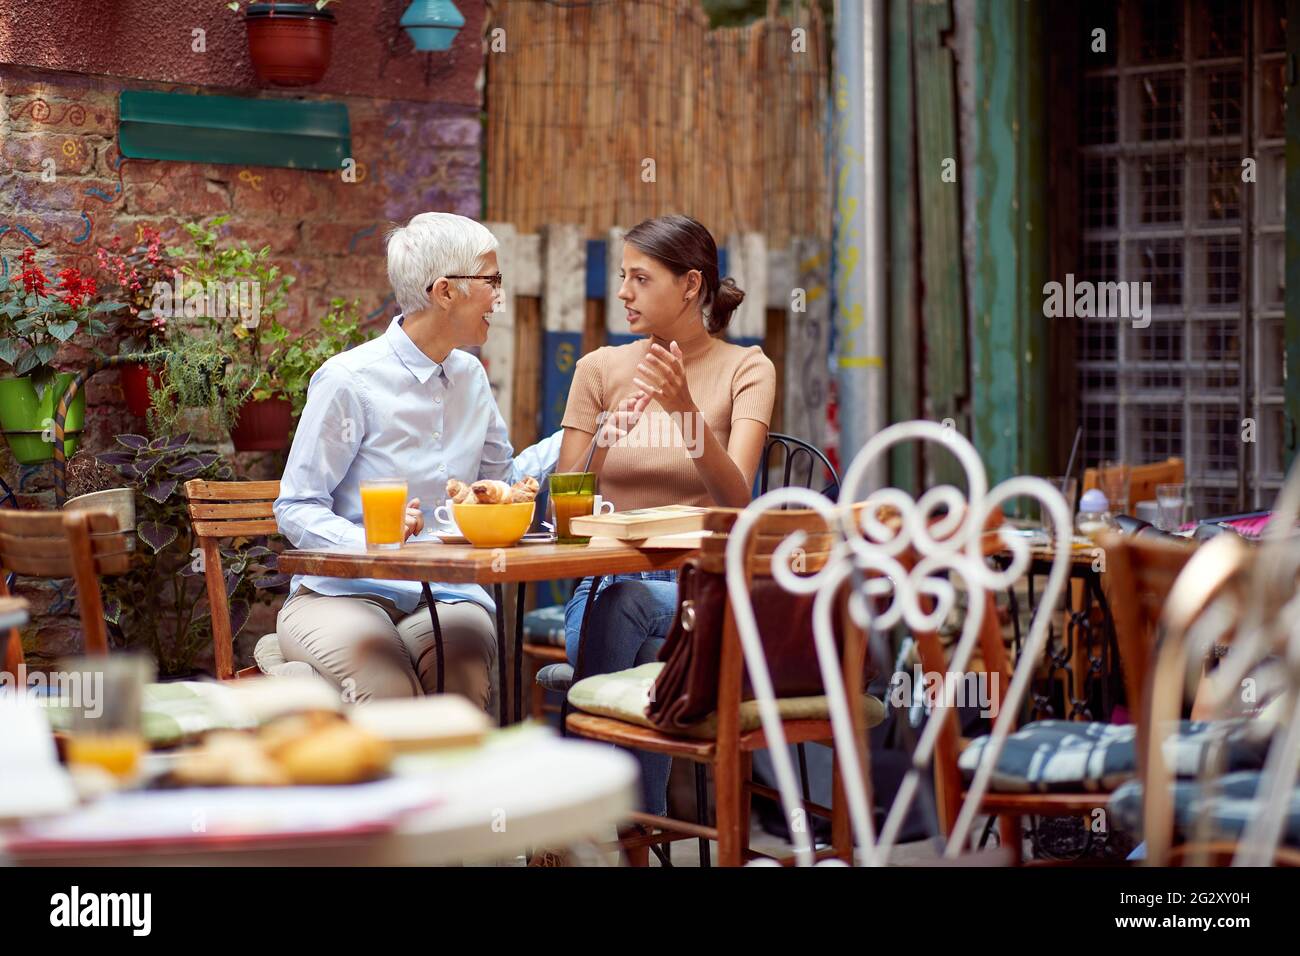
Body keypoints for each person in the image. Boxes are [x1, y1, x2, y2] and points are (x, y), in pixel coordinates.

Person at [274, 212, 561, 712]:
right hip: (341, 595)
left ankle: (462, 793)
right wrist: (370, 540)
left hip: (447, 594)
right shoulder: (348, 380)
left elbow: (501, 484)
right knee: (391, 697)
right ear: (445, 291)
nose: (499, 296)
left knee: (462, 693)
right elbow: (296, 505)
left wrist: (585, 426)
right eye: (491, 280)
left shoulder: (470, 375)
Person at [556, 214, 776, 815]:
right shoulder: (599, 370)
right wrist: (603, 440)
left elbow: (738, 502)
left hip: (704, 594)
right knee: (620, 602)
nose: (623, 292)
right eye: (623, 277)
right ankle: (627, 837)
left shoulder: (745, 369)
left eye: (640, 278)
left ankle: (602, 832)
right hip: (602, 585)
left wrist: (683, 411)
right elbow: (567, 514)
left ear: (689, 285)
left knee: (626, 610)